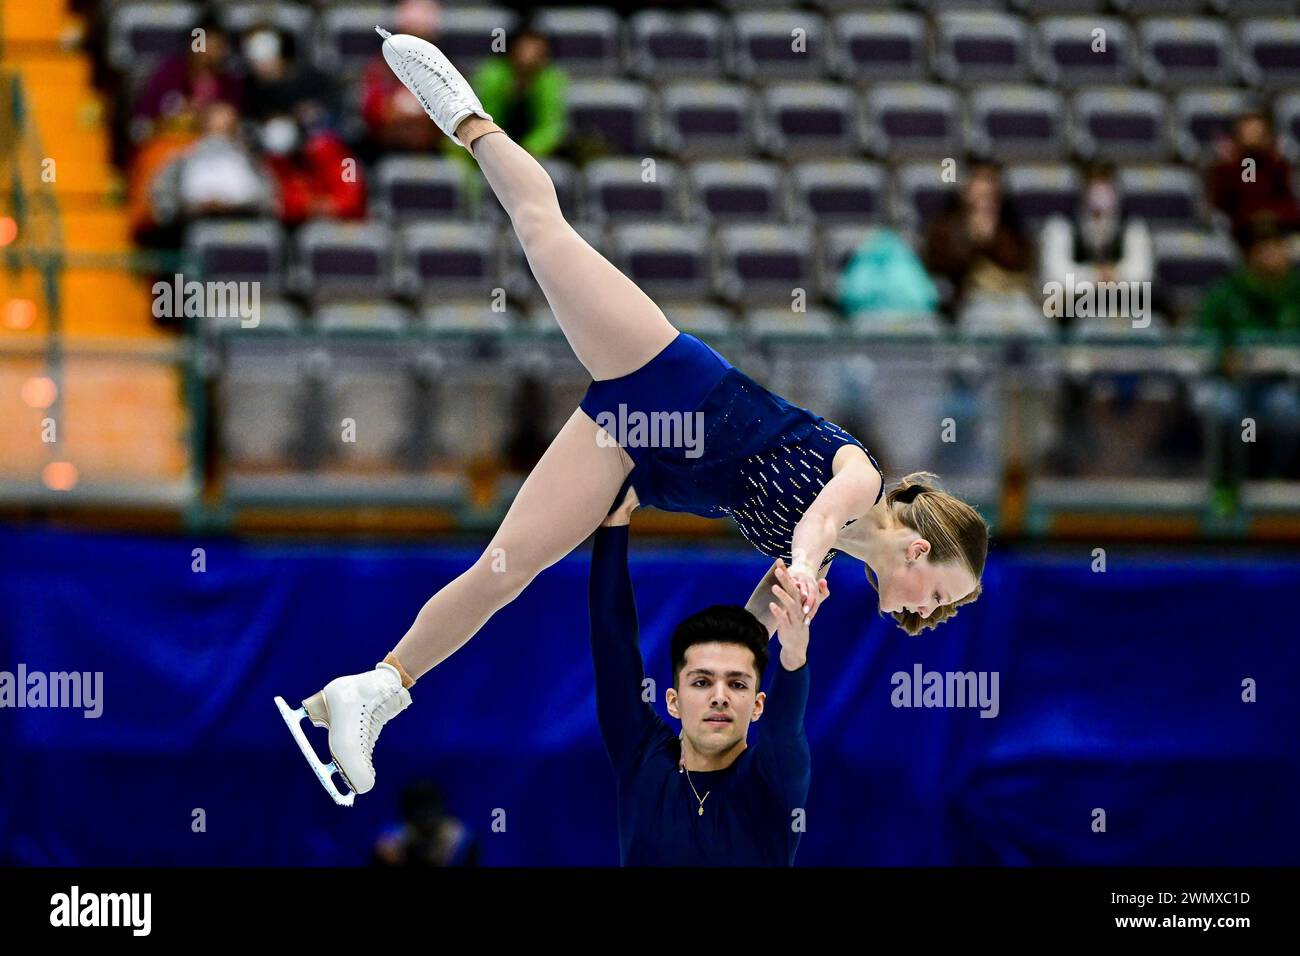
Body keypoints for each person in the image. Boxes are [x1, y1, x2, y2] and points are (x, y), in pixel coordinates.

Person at [275, 31, 988, 807]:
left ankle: (372, 691)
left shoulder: (832, 564)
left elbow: (744, 628)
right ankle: (467, 114)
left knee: (506, 571)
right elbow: (818, 521)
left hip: (645, 461)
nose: (931, 614)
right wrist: (806, 568)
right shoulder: (862, 480)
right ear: (918, 547)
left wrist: (752, 682)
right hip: (671, 382)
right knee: (544, 231)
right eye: (941, 594)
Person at [587, 489, 824, 865]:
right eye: (701, 682)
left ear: (759, 704)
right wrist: (615, 521)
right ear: (673, 701)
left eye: (737, 683)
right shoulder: (642, 760)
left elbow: (786, 729)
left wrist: (794, 654)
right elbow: (611, 643)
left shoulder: (772, 779)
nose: (719, 696)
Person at [1206, 111, 1300, 247]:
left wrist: (1272, 215)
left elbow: (1287, 201)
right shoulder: (1229, 168)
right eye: (1248, 131)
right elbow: (1223, 204)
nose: (1253, 136)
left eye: (1257, 131)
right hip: (1242, 231)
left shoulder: (1277, 165)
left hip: (1280, 227)